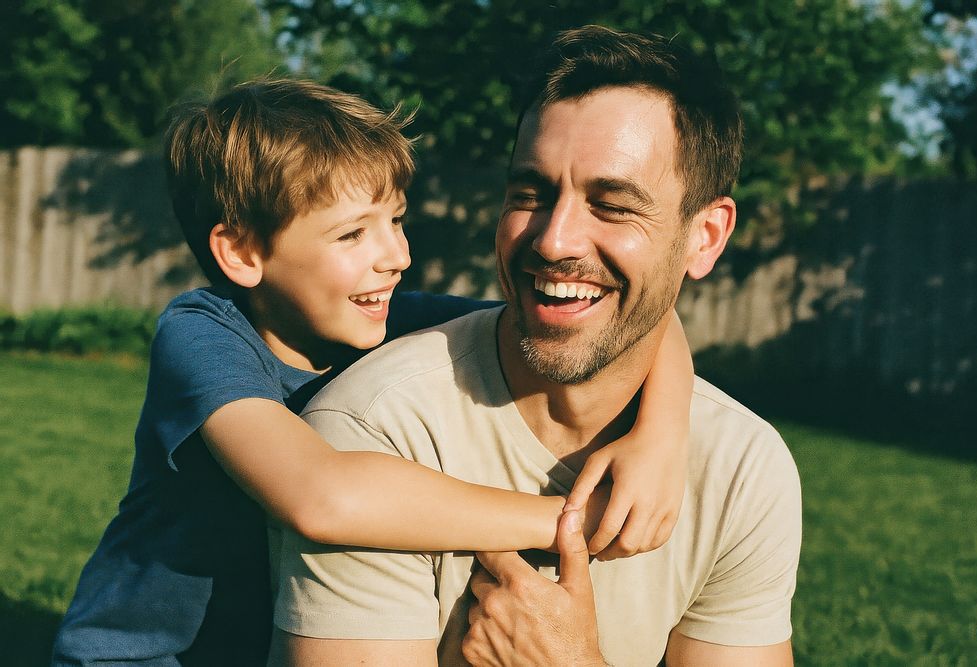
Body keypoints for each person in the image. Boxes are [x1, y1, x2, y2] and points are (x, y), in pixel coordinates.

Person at [51, 78, 694, 666]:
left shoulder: (388, 320)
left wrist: (661, 438)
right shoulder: (204, 336)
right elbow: (320, 496)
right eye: (352, 234)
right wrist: (564, 519)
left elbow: (627, 314)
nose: (397, 256)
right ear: (242, 252)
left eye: (395, 220)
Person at [270, 25, 801, 666]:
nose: (554, 241)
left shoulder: (742, 469)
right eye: (531, 195)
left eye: (612, 205)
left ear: (706, 236)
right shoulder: (378, 431)